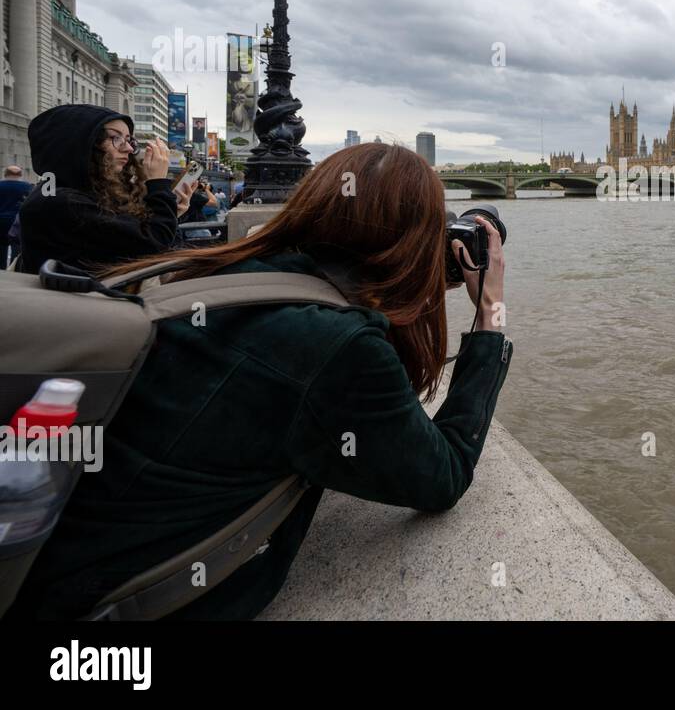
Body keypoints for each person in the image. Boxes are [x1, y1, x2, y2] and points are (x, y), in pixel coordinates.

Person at [8, 142, 510, 620]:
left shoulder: (228, 271)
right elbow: (441, 476)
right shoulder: (336, 346)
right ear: (407, 240)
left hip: (46, 569)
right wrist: (489, 313)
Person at [16, 105, 195, 274]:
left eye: (128, 139)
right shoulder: (59, 202)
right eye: (115, 138)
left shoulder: (71, 192)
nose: (129, 148)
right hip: (79, 303)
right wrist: (157, 182)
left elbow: (129, 236)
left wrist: (169, 213)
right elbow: (153, 244)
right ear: (78, 143)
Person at [0, 165, 33, 266]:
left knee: (1, 249)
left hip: (1, 221)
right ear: (20, 175)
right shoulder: (28, 187)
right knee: (17, 249)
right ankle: (13, 271)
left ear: (5, 174)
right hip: (18, 222)